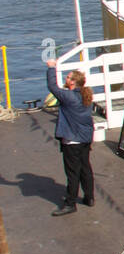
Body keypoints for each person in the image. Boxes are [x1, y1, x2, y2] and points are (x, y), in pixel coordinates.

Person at [46, 60, 95, 216]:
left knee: (73, 172)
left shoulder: (69, 97)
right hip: (85, 139)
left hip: (72, 140)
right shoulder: (85, 96)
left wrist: (51, 68)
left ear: (73, 82)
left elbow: (52, 87)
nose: (65, 80)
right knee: (85, 168)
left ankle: (70, 203)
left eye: (68, 78)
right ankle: (89, 197)